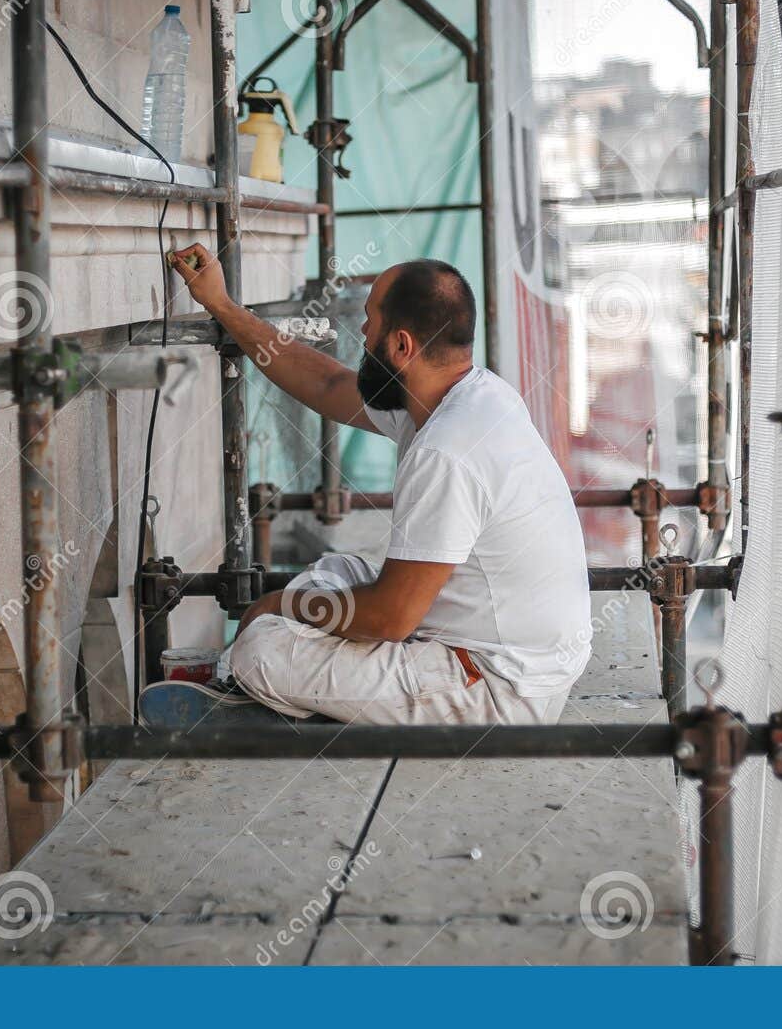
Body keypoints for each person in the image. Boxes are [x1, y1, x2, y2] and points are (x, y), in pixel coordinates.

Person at [168, 242, 591, 725]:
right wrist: (222, 306)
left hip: (498, 687)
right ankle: (299, 682)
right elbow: (328, 386)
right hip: (516, 658)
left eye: (370, 320)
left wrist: (277, 603)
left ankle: (249, 693)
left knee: (261, 651)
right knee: (338, 571)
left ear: (402, 345)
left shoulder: (447, 449)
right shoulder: (469, 394)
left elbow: (392, 619)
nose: (362, 332)